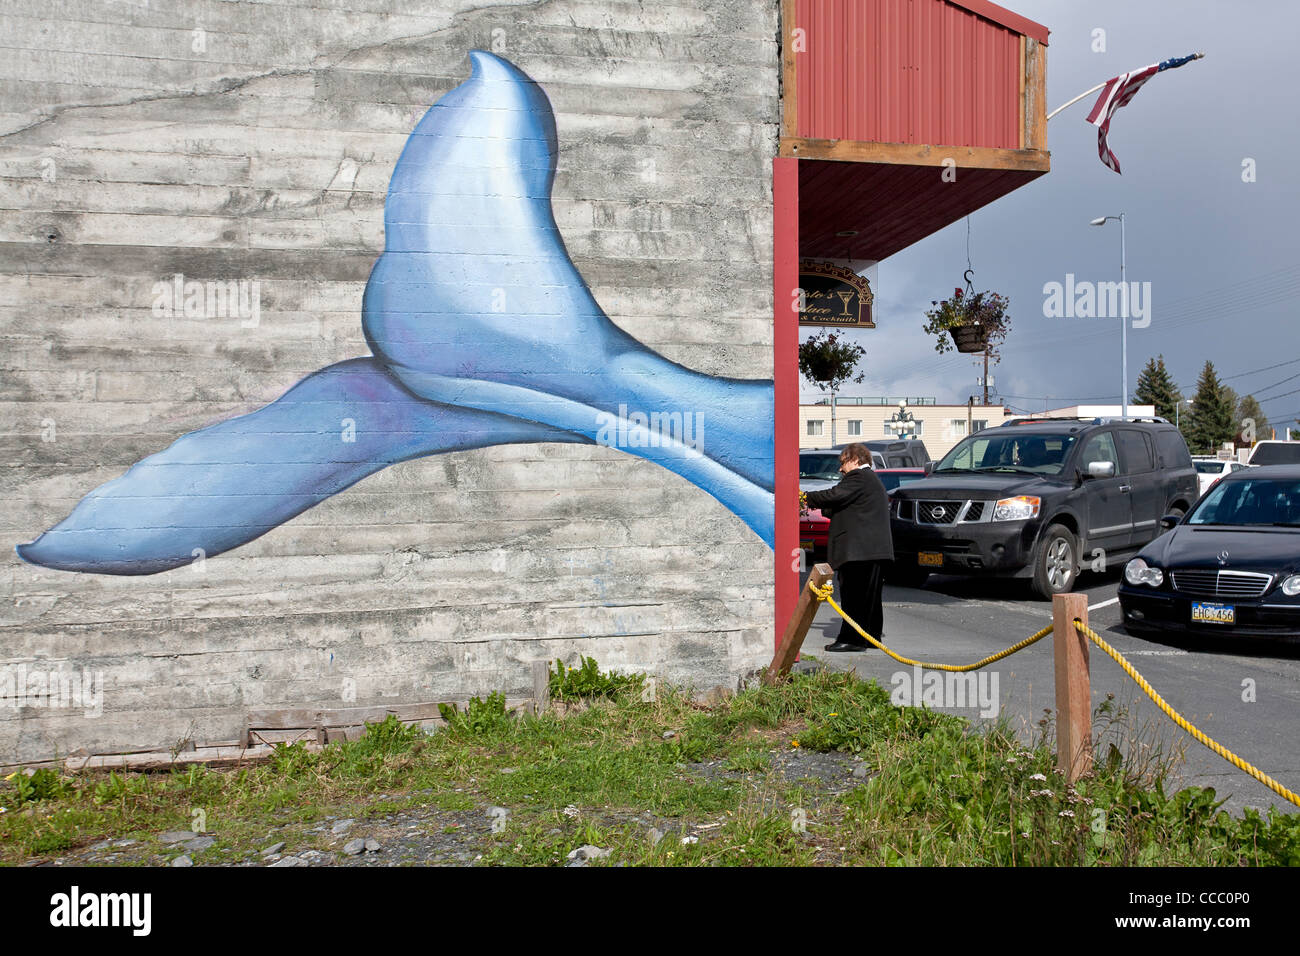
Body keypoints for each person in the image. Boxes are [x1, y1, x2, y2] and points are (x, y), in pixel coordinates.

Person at [802, 443, 893, 652]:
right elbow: (845, 505)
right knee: (870, 598)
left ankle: (852, 640)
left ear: (855, 460)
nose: (840, 469)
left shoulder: (858, 477)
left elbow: (835, 495)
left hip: (858, 551)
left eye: (843, 463)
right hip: (873, 550)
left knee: (854, 597)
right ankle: (871, 637)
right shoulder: (870, 481)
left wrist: (804, 497)